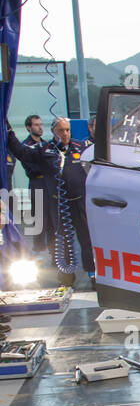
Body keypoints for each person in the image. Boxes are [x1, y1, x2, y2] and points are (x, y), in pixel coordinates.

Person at [46, 117, 95, 284]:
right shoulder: (47, 149)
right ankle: (67, 274)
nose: (65, 134)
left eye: (67, 130)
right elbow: (24, 154)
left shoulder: (81, 147)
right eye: (61, 130)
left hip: (80, 201)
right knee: (63, 239)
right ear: (53, 131)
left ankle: (92, 273)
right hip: (60, 203)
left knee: (87, 239)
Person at [5, 114, 54, 251]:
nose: (40, 127)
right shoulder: (25, 146)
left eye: (41, 124)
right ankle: (38, 250)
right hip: (37, 184)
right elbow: (32, 166)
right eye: (36, 125)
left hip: (49, 183)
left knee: (52, 220)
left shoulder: (46, 144)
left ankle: (54, 252)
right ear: (28, 127)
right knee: (40, 221)